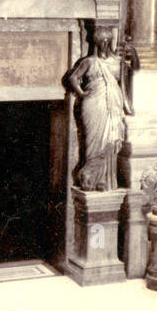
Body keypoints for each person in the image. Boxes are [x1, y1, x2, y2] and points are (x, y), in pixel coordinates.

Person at [63, 26, 133, 191]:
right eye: (101, 42)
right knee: (94, 143)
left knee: (112, 140)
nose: (104, 45)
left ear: (109, 42)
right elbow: (73, 78)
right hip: (94, 104)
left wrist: (127, 106)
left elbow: (123, 85)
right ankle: (91, 178)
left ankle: (105, 181)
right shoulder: (90, 61)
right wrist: (81, 94)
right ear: (97, 43)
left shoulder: (117, 62)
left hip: (113, 103)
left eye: (107, 41)